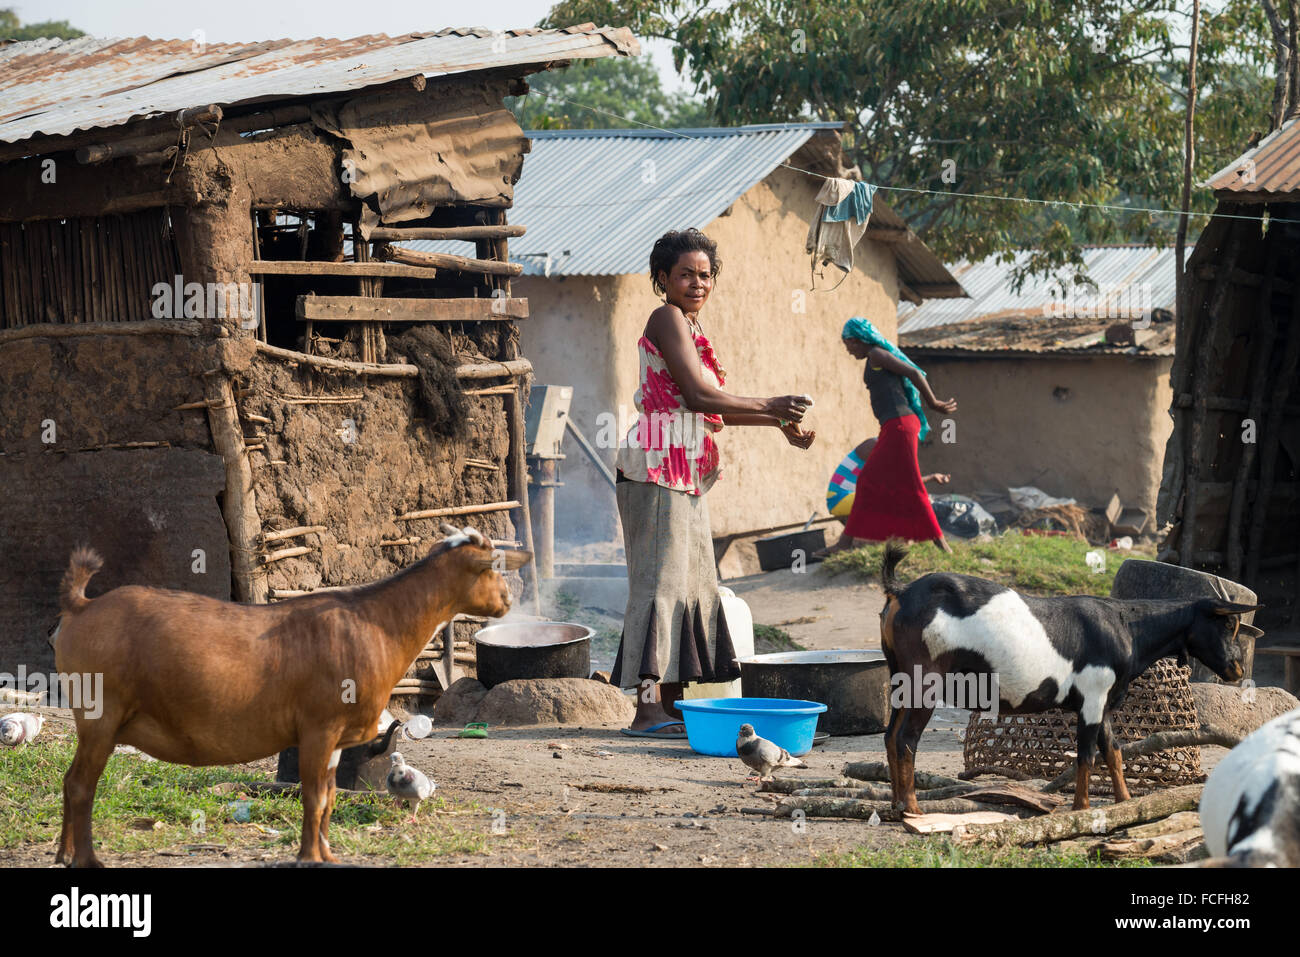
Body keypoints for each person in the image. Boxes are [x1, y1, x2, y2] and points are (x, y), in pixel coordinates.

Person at [613, 228, 816, 737]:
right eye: (685, 274)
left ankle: (675, 702)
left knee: (692, 584)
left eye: (705, 275)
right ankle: (645, 708)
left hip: (684, 469)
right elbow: (700, 396)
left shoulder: (691, 327)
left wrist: (778, 425)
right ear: (663, 278)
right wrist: (770, 405)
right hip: (655, 463)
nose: (697, 282)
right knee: (658, 586)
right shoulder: (665, 318)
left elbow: (710, 408)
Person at [816, 318, 957, 557]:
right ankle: (851, 543)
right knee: (878, 483)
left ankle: (942, 545)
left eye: (848, 344)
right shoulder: (874, 358)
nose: (848, 350)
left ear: (858, 340)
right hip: (893, 427)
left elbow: (913, 372)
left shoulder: (877, 355)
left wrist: (933, 403)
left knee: (897, 483)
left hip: (900, 426)